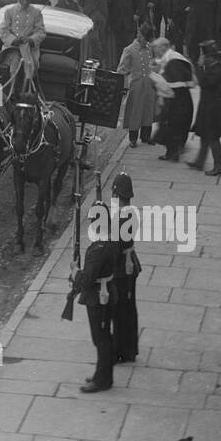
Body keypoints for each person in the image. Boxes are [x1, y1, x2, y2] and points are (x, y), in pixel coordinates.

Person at [68, 203, 121, 393]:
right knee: (103, 336)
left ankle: (102, 379)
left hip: (98, 297)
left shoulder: (98, 248)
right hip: (106, 293)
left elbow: (87, 279)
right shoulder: (111, 241)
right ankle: (103, 375)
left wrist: (75, 271)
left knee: (100, 338)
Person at [187, 41, 221, 176]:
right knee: (205, 136)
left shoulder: (219, 71)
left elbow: (204, 83)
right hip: (208, 109)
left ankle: (220, 166)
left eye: (204, 56)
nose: (203, 58)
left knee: (213, 138)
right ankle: (200, 162)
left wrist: (198, 67)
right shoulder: (213, 69)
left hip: (215, 111)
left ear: (211, 57)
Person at [110, 173, 142, 363]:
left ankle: (120, 349)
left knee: (119, 311)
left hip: (121, 267)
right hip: (129, 265)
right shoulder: (129, 212)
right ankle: (129, 349)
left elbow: (115, 246)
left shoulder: (120, 217)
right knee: (128, 308)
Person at [0, 0, 47, 96]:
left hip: (30, 49)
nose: (25, 2)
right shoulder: (10, 11)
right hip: (12, 47)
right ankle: (11, 92)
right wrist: (13, 40)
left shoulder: (36, 13)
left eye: (27, 0)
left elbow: (41, 32)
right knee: (13, 63)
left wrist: (30, 39)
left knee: (30, 66)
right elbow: (3, 31)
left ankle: (27, 90)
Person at [151, 37, 193, 162]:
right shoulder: (170, 58)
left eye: (156, 49)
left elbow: (176, 84)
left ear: (163, 48)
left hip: (177, 101)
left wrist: (158, 82)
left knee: (172, 126)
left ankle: (173, 153)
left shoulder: (174, 61)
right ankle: (172, 152)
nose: (155, 52)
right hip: (176, 99)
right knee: (171, 127)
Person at [117, 25, 157, 147]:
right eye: (145, 39)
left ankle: (146, 136)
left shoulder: (150, 49)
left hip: (149, 84)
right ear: (139, 36)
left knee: (148, 110)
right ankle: (133, 138)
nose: (146, 42)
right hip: (136, 85)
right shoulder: (129, 49)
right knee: (135, 111)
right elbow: (121, 68)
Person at [79, 0, 115, 69]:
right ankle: (98, 59)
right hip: (90, 15)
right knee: (93, 38)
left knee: (102, 38)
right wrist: (86, 11)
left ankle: (99, 62)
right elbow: (81, 0)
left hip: (103, 16)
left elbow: (110, 2)